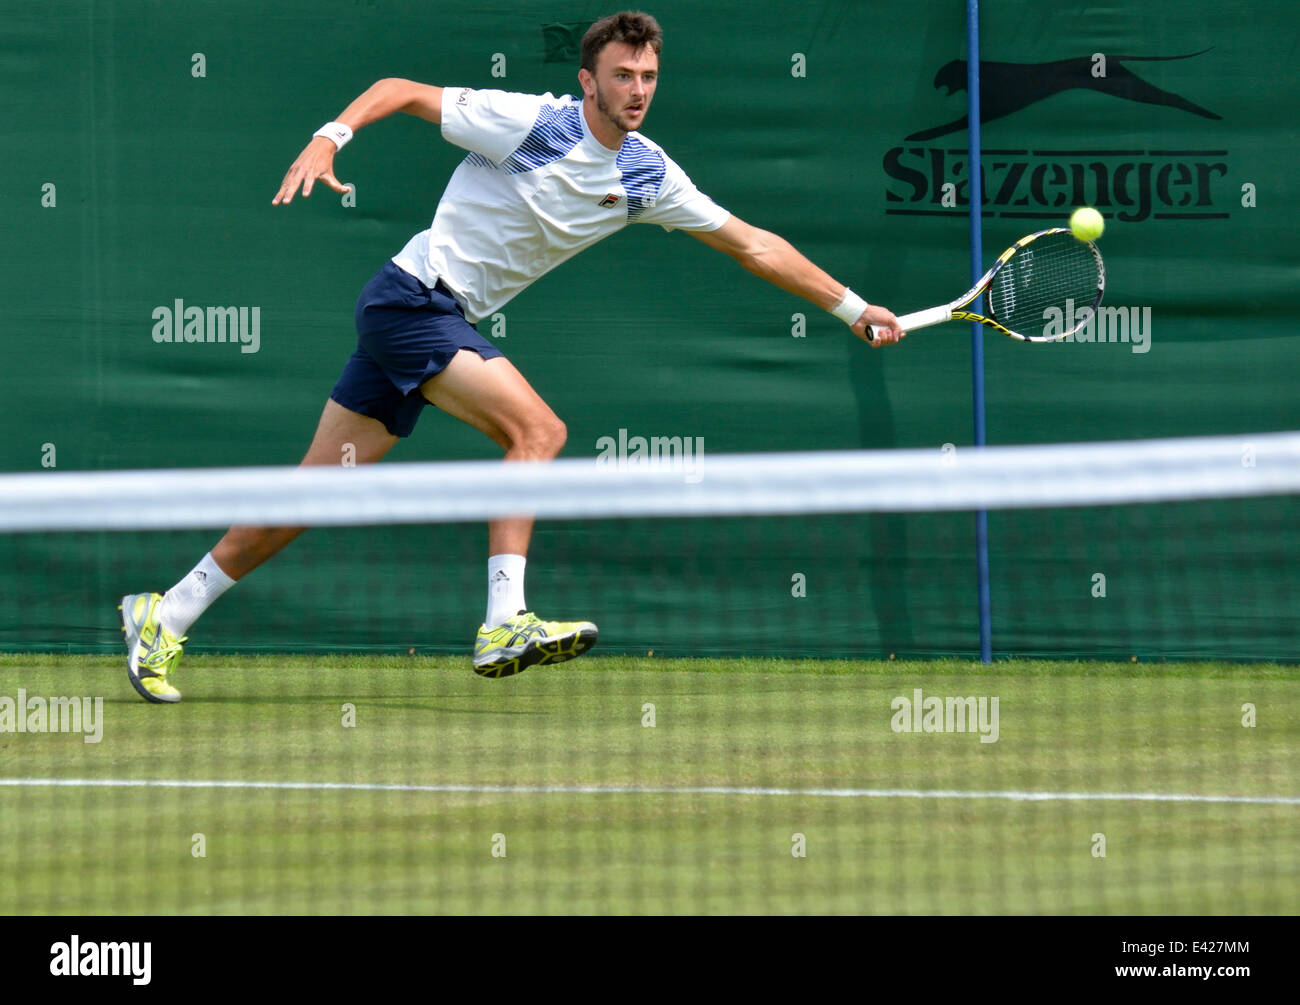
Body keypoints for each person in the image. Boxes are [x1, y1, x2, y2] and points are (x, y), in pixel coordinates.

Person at [119, 9, 905, 703]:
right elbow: (399, 88)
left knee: (317, 490)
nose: (638, 89)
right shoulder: (529, 123)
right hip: (411, 299)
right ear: (587, 81)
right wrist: (331, 137)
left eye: (649, 76)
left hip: (432, 317)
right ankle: (503, 621)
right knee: (539, 432)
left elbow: (753, 245)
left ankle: (168, 610)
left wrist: (849, 306)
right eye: (622, 75)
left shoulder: (647, 173)